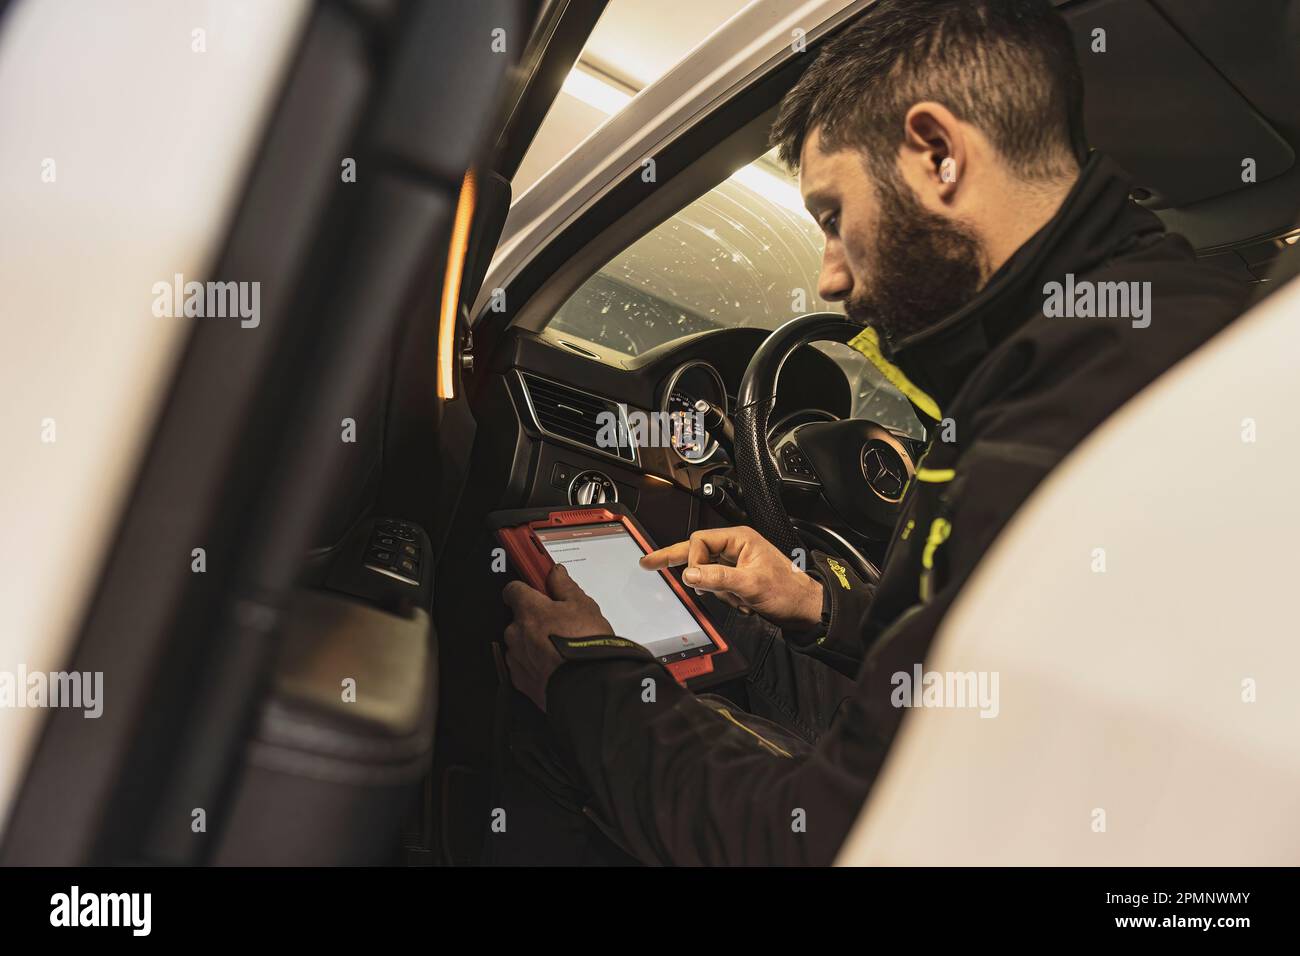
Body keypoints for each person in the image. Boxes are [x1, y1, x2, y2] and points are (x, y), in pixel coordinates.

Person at [499, 0, 1249, 864]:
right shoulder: (1142, 330)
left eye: (829, 214)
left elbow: (824, 843)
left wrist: (588, 682)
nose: (826, 278)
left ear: (937, 154)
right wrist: (821, 607)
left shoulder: (1072, 411)